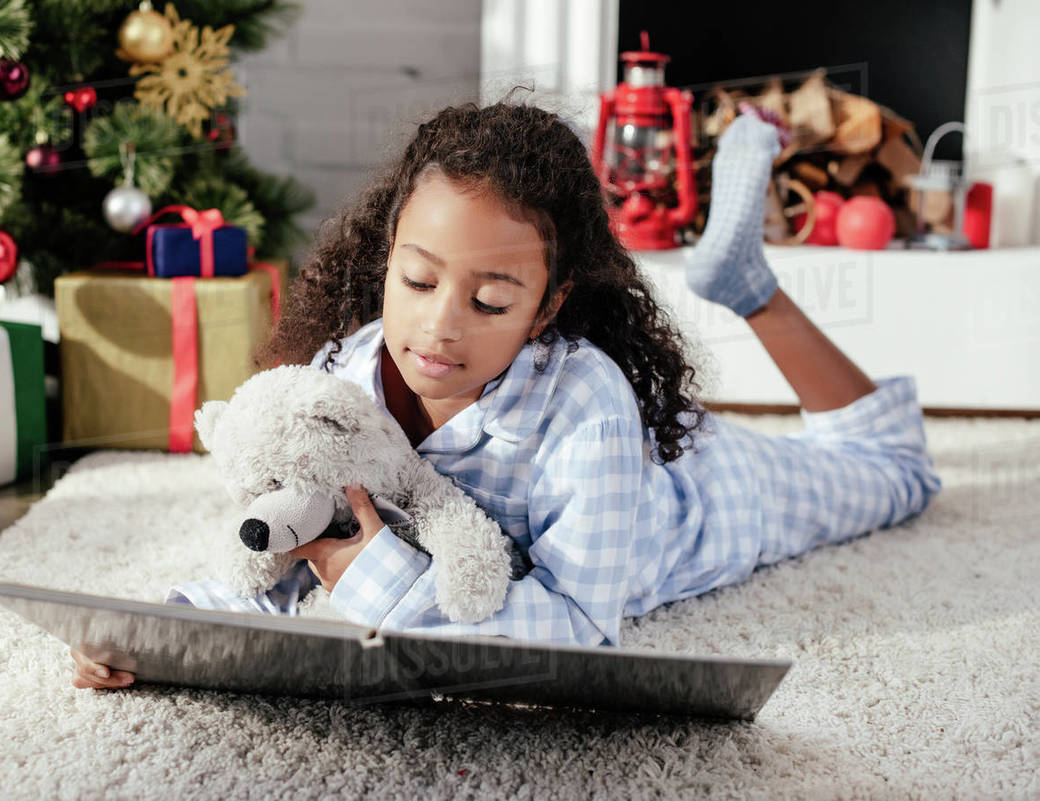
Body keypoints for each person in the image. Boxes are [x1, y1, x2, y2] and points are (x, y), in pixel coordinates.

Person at [72, 100, 941, 690]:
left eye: (490, 301)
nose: (438, 327)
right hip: (645, 470)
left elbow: (578, 627)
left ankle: (750, 288)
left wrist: (372, 575)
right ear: (386, 256)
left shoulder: (589, 405)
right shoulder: (338, 382)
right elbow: (278, 556)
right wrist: (162, 636)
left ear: (548, 306)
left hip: (697, 497)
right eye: (416, 281)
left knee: (895, 469)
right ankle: (745, 281)